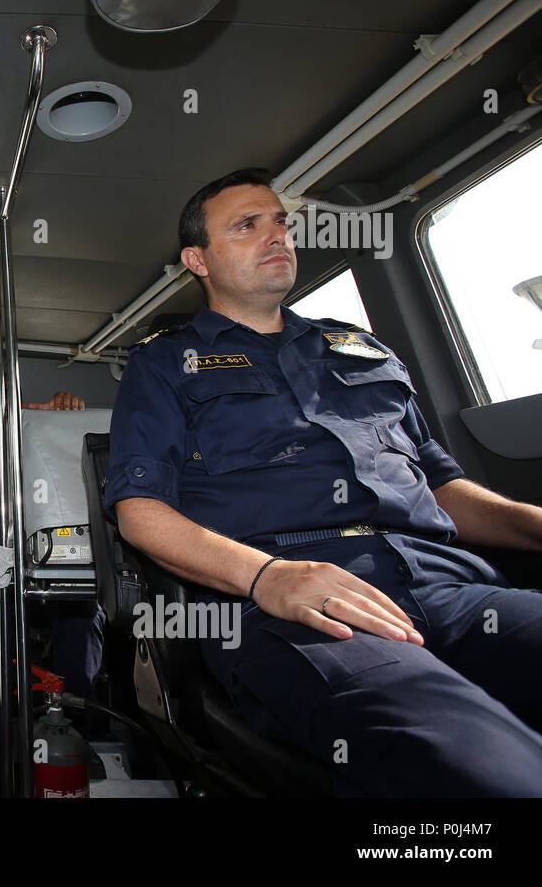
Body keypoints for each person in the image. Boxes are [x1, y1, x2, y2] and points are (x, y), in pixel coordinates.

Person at [104, 167, 542, 796]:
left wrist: (533, 524)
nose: (276, 235)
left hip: (448, 584)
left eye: (281, 221)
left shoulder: (359, 347)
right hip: (301, 602)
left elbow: (441, 485)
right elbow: (140, 512)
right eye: (247, 225)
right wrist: (267, 577)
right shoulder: (166, 363)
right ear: (197, 259)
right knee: (487, 768)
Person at [0, 374, 105, 797]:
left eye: (6, 398)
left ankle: (72, 767)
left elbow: (88, 452)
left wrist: (69, 416)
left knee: (81, 637)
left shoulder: (52, 446)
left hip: (60, 577)